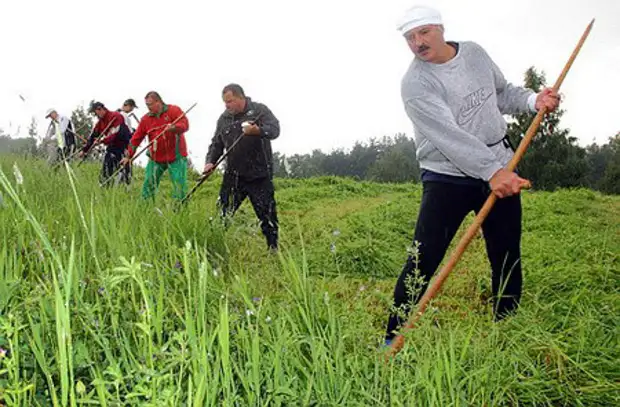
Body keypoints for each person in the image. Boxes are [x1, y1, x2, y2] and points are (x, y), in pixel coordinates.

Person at [384, 6, 561, 345]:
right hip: (446, 176)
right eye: (410, 38)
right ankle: (393, 335)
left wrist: (532, 100)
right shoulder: (415, 84)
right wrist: (491, 171)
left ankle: (507, 329)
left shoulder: (475, 54)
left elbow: (501, 93)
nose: (418, 43)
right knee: (425, 256)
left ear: (440, 28)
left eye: (423, 33)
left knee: (507, 252)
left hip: (499, 162)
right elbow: (451, 138)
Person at [203, 84, 280, 251]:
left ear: (241, 97)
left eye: (230, 101)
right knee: (222, 213)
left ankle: (273, 248)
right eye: (225, 102)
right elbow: (216, 143)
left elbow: (275, 130)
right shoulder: (224, 119)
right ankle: (212, 247)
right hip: (233, 174)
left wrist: (257, 130)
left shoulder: (259, 110)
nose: (227, 105)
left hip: (258, 174)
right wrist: (210, 161)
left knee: (267, 214)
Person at [120, 91, 190, 201]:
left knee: (179, 185)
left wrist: (174, 127)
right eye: (147, 105)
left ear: (159, 102)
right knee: (148, 184)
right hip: (156, 158)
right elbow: (136, 139)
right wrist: (128, 156)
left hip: (176, 157)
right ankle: (145, 209)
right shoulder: (145, 120)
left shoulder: (174, 110)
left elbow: (185, 124)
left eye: (150, 104)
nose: (148, 107)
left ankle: (180, 209)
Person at [81, 101, 132, 186]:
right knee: (107, 168)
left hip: (124, 145)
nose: (96, 116)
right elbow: (93, 136)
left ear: (101, 109)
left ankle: (126, 186)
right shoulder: (100, 123)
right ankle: (105, 186)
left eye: (96, 113)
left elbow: (115, 134)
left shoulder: (116, 116)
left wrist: (102, 141)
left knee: (124, 169)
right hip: (112, 146)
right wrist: (85, 150)